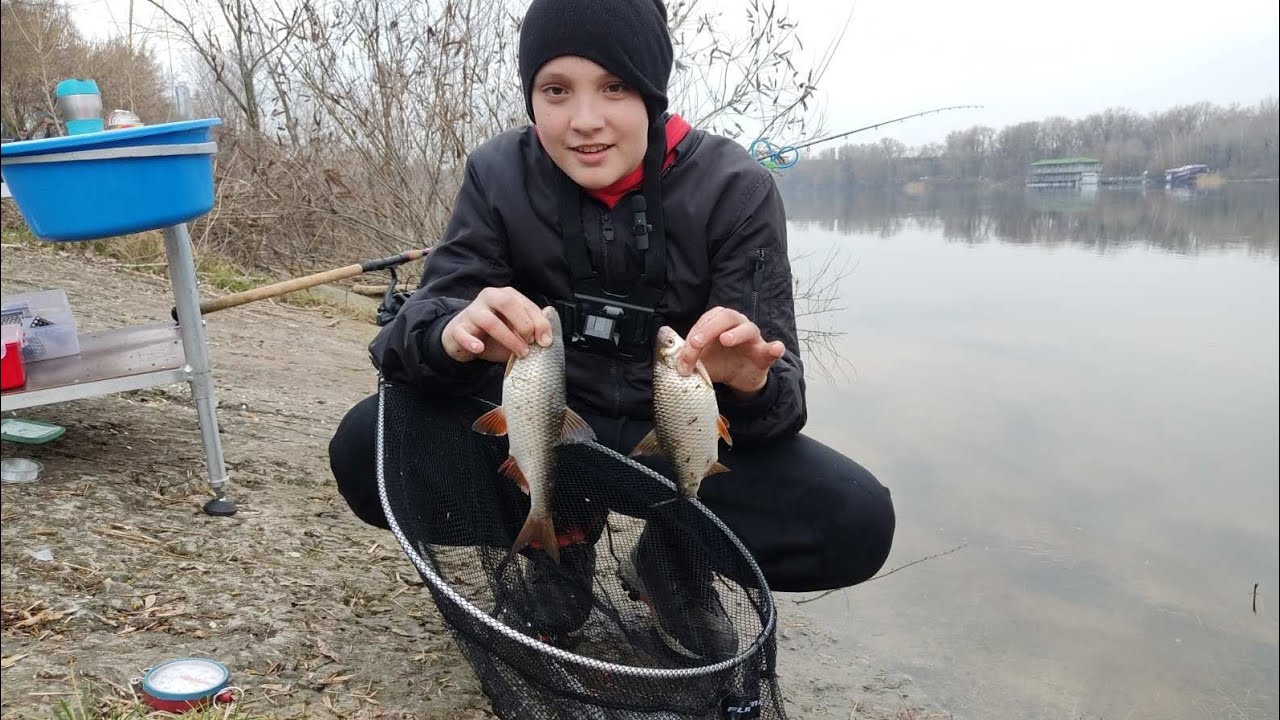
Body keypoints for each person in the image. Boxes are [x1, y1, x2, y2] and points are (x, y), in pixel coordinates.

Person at [329, 0, 895, 661]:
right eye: (556, 90)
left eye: (615, 87)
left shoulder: (736, 187)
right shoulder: (498, 174)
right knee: (368, 447)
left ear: (652, 94)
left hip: (677, 431)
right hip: (548, 425)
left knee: (854, 519)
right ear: (531, 96)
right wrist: (448, 334)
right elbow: (405, 345)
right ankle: (559, 532)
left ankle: (674, 553)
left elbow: (782, 410)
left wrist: (752, 382)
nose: (585, 121)